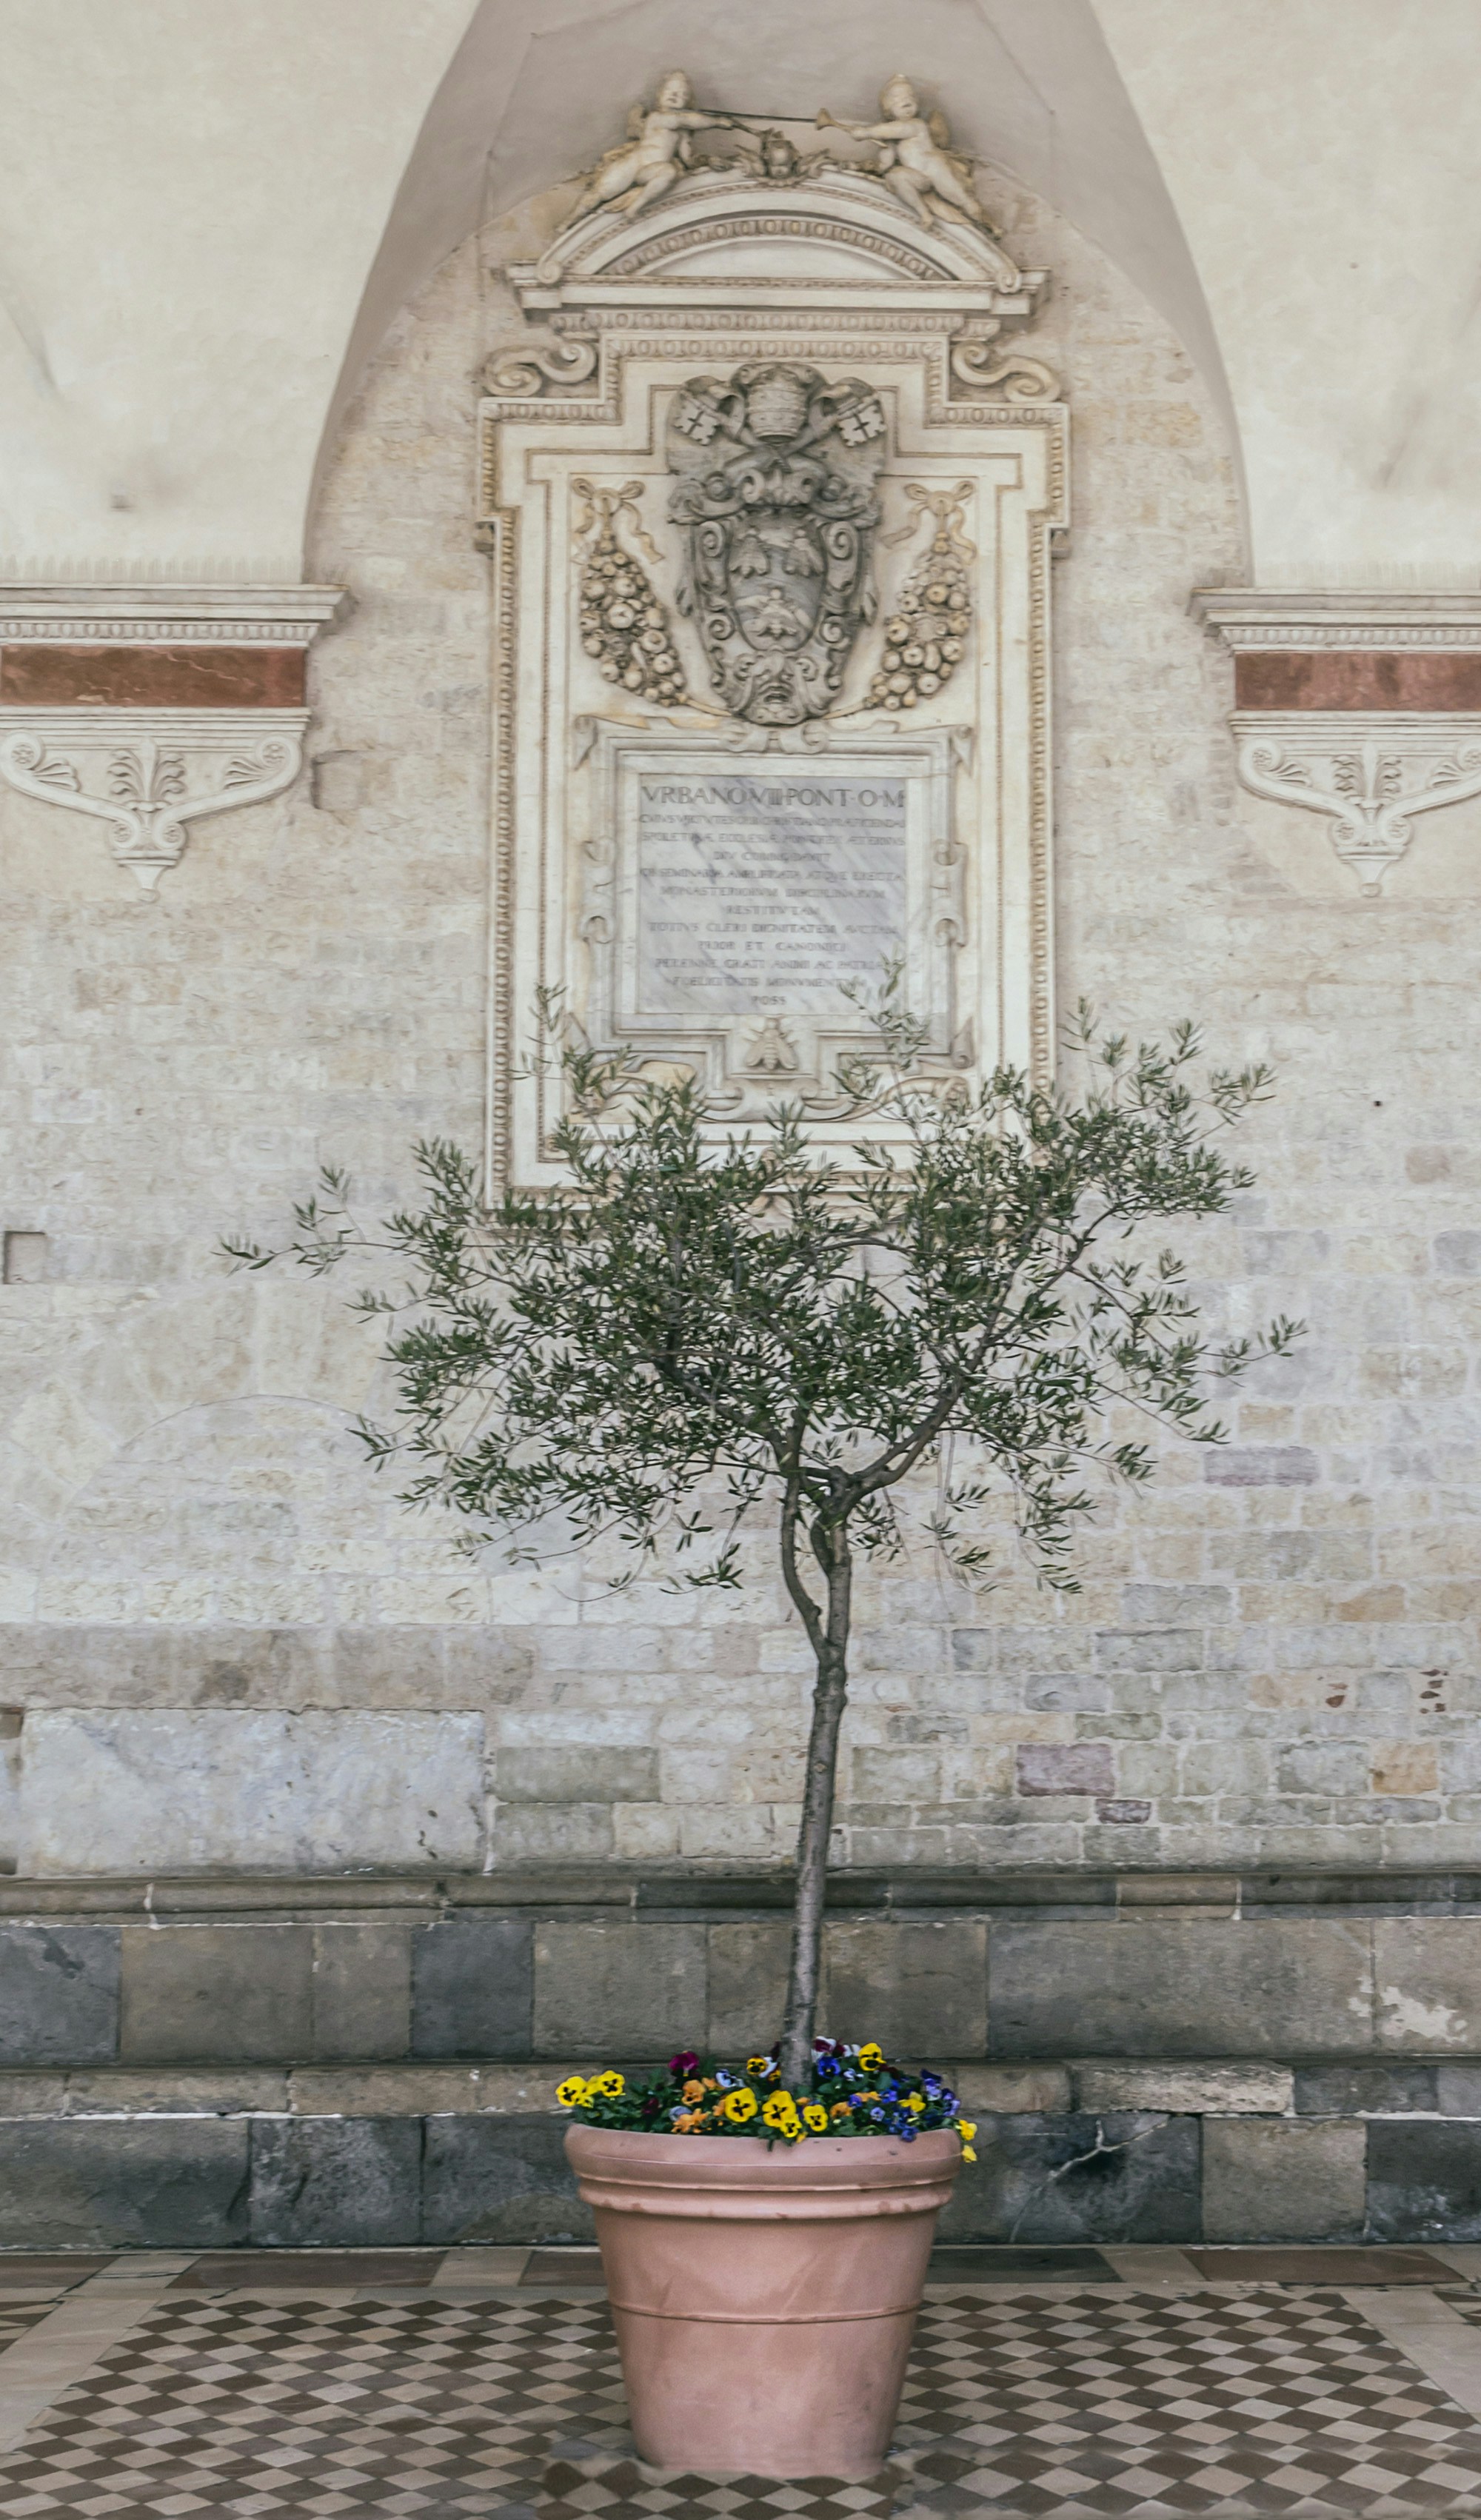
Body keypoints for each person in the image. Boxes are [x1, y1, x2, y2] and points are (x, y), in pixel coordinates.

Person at [818, 76, 995, 235]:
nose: (906, 101)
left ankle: (989, 226)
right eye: (898, 99)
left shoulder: (916, 125)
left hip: (936, 170)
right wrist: (857, 166)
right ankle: (924, 214)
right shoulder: (893, 143)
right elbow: (882, 167)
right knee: (895, 176)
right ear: (888, 109)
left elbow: (893, 130)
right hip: (920, 179)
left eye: (910, 97)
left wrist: (866, 132)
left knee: (963, 201)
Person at [569, 71, 732, 226]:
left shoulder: (682, 134)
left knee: (668, 172)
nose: (675, 95)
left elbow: (689, 160)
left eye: (683, 94)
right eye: (670, 90)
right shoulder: (658, 117)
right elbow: (684, 120)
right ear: (659, 96)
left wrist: (709, 160)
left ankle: (635, 207)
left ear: (687, 103)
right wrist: (717, 122)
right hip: (632, 163)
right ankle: (568, 222)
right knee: (600, 192)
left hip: (652, 170)